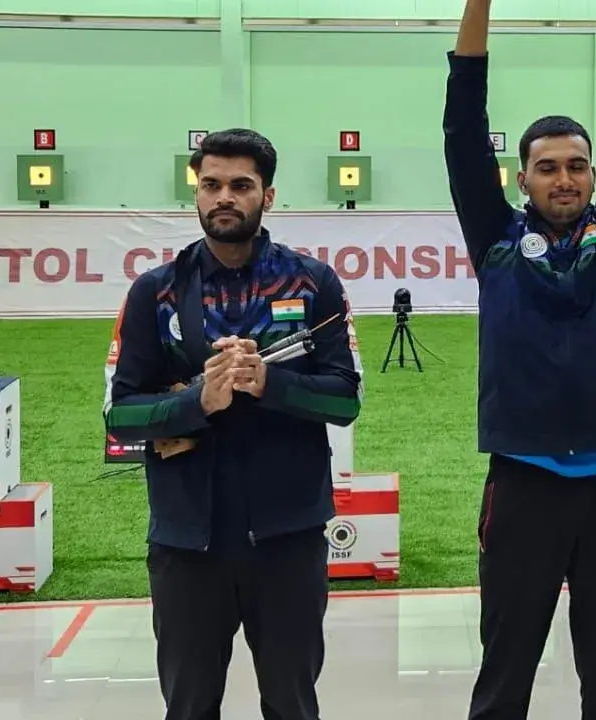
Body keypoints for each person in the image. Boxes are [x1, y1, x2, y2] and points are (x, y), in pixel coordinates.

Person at [442, 0, 596, 718]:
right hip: (524, 482)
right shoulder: (495, 240)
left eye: (575, 166)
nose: (563, 178)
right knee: (505, 672)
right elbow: (461, 130)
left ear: (595, 175)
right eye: (546, 168)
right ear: (521, 179)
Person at [103, 128, 363, 720]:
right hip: (187, 539)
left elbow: (345, 401)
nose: (225, 196)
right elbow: (121, 417)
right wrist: (200, 402)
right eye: (211, 184)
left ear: (267, 196)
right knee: (190, 705)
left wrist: (269, 383)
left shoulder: (312, 283)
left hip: (287, 536)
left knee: (293, 704)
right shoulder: (156, 292)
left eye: (241, 185)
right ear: (195, 192)